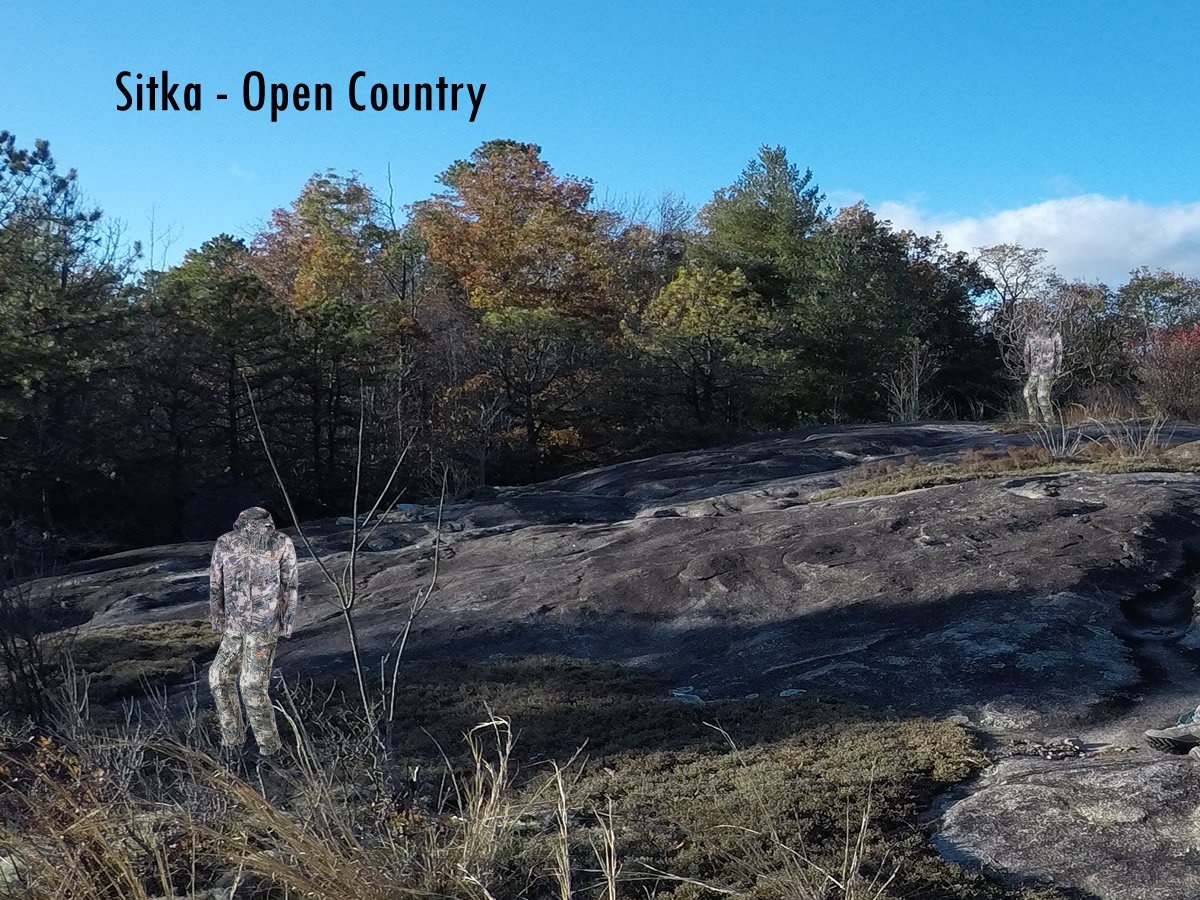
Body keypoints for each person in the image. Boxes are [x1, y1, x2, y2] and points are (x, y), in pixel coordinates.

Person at [208, 506, 298, 762]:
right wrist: (219, 617)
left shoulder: (281, 542)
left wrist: (285, 621)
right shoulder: (225, 542)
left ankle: (270, 749)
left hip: (264, 625)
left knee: (251, 685)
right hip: (235, 625)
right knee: (218, 676)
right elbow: (216, 580)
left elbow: (289, 583)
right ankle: (232, 742)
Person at [1022, 319, 1063, 423]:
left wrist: (1057, 369)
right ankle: (1033, 421)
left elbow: (1059, 353)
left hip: (1047, 370)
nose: (1044, 327)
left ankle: (1050, 423)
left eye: (1047, 325)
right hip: (1035, 370)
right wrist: (1027, 366)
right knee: (1027, 392)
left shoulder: (1055, 335)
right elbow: (1026, 352)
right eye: (1042, 325)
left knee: (1042, 396)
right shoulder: (1031, 336)